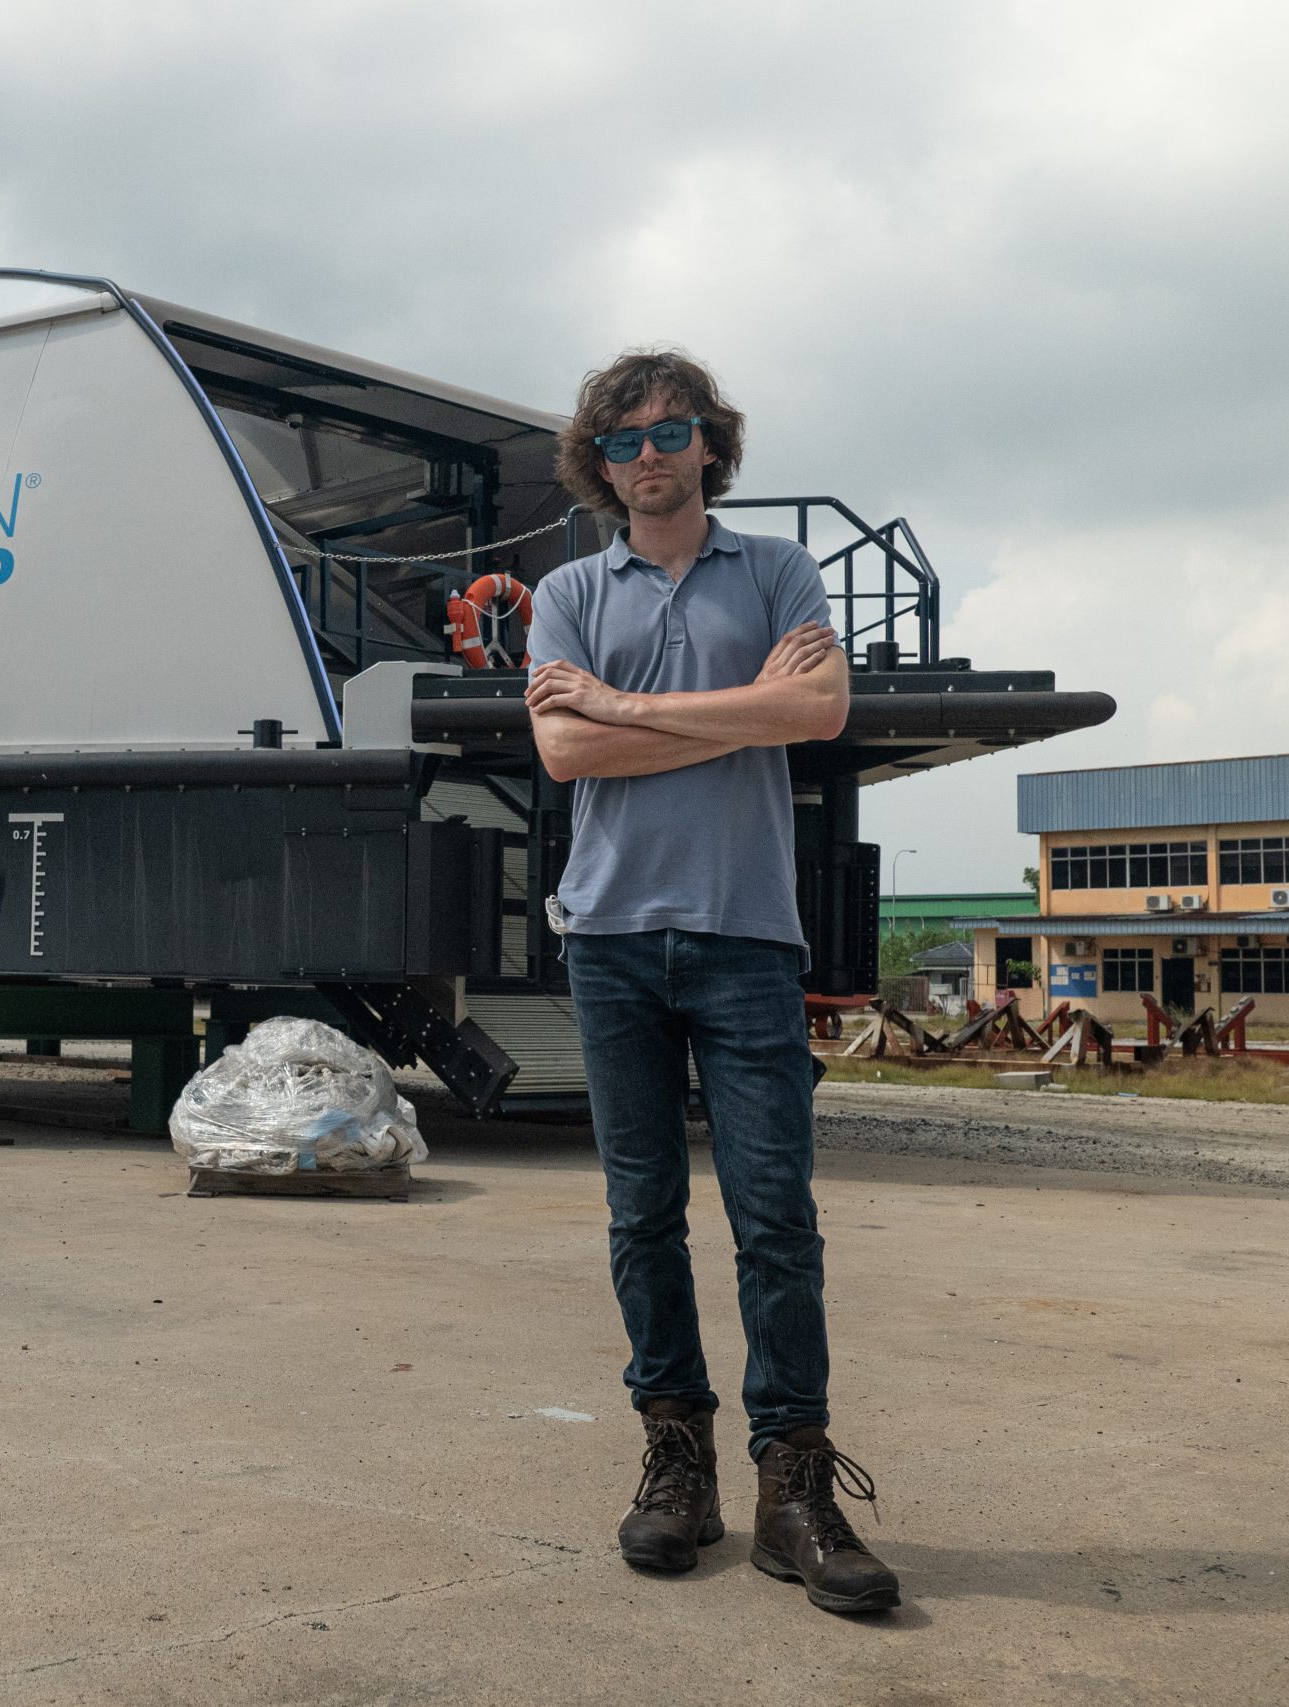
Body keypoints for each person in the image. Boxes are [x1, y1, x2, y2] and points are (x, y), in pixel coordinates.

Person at [523, 349, 899, 1614]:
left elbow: (822, 714)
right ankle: (675, 1462)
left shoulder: (777, 571)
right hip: (613, 938)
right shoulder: (568, 588)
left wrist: (632, 706)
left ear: (707, 447)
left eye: (671, 432)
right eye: (625, 439)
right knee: (642, 1218)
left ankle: (794, 1488)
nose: (648, 455)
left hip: (747, 935)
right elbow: (565, 752)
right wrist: (743, 709)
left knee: (775, 1220)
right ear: (599, 460)